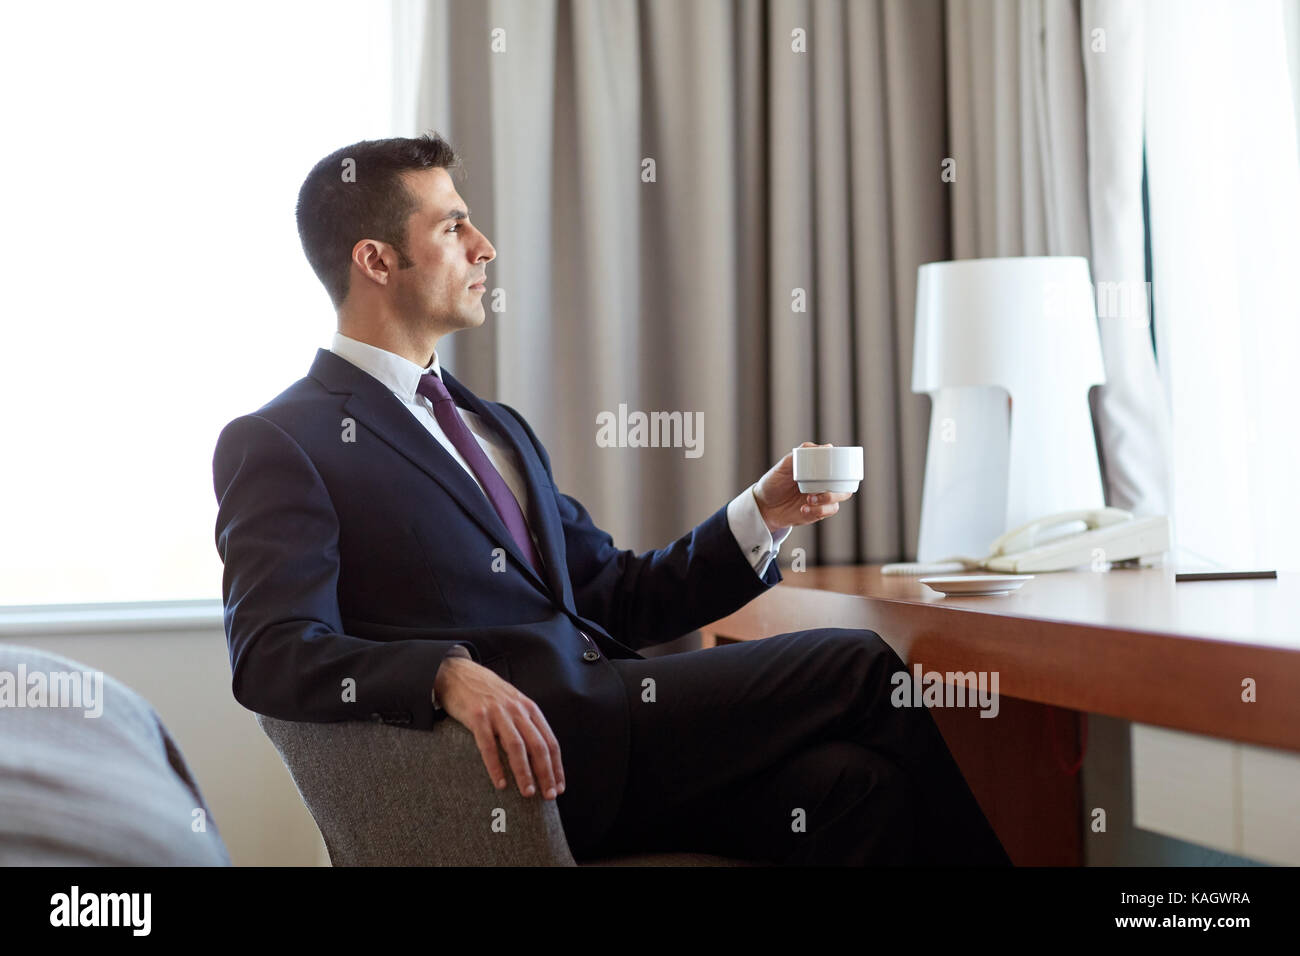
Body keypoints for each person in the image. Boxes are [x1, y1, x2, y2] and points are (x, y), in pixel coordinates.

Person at [212, 133, 1010, 866]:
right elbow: (272, 652)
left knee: (852, 787)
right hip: (539, 765)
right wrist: (443, 674)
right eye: (453, 228)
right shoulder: (285, 442)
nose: (484, 247)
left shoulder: (493, 426)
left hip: (624, 744)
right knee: (858, 664)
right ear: (377, 261)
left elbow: (617, 594)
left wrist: (760, 513)